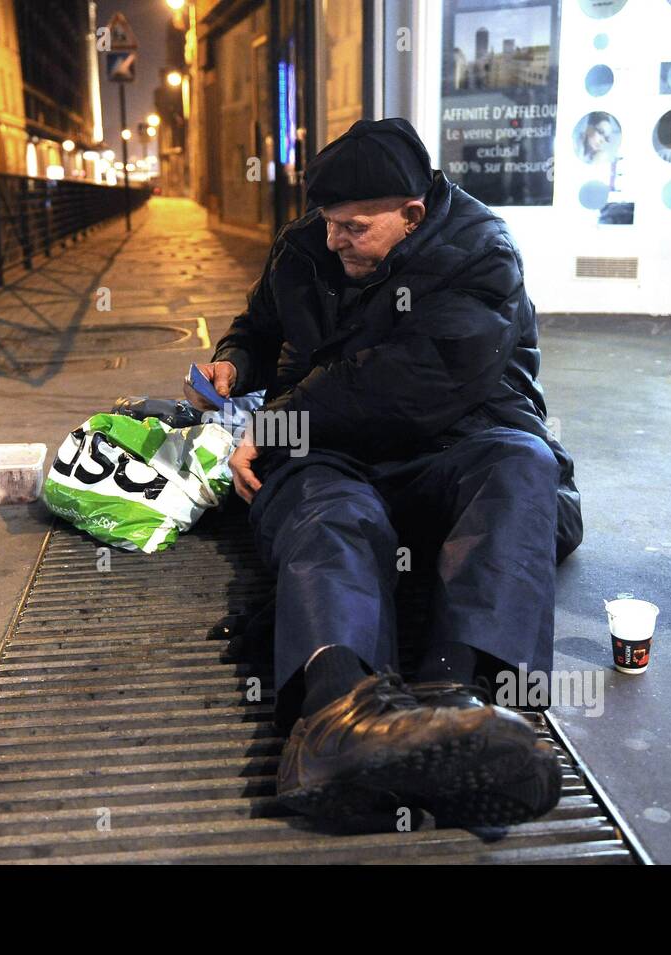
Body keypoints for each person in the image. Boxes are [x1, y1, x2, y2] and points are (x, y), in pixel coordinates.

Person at [183, 118, 583, 830]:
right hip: (333, 446)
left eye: (355, 227)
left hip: (456, 440)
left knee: (522, 467)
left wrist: (274, 424)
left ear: (413, 214)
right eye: (329, 222)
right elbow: (258, 327)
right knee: (324, 508)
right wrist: (234, 363)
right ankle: (336, 720)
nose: (335, 240)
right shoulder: (305, 246)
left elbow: (407, 385)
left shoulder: (479, 252)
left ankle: (458, 706)